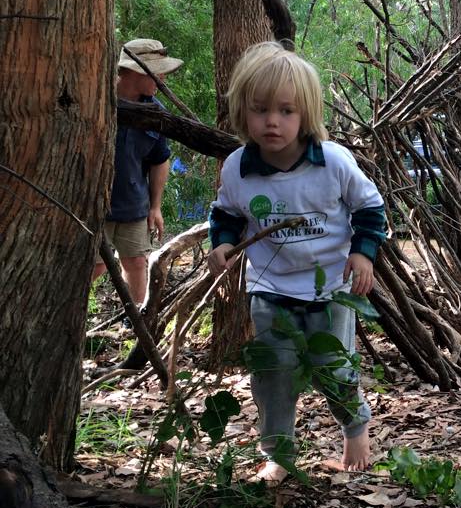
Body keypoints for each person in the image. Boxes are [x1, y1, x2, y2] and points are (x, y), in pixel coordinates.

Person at [206, 41, 386, 482]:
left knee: (333, 365)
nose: (273, 121)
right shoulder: (238, 168)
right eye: (260, 109)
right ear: (242, 111)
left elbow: (370, 207)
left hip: (329, 288)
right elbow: (226, 213)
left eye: (286, 111)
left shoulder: (332, 162)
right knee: (273, 371)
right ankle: (279, 453)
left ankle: (355, 426)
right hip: (270, 288)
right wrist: (223, 244)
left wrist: (362, 253)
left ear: (306, 113)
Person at [92, 38, 182, 305]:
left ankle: (134, 320)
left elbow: (159, 160)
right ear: (135, 71)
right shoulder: (97, 100)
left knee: (136, 263)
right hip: (94, 207)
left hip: (133, 206)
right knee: (95, 266)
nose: (163, 78)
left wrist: (155, 206)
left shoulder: (156, 112)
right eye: (158, 71)